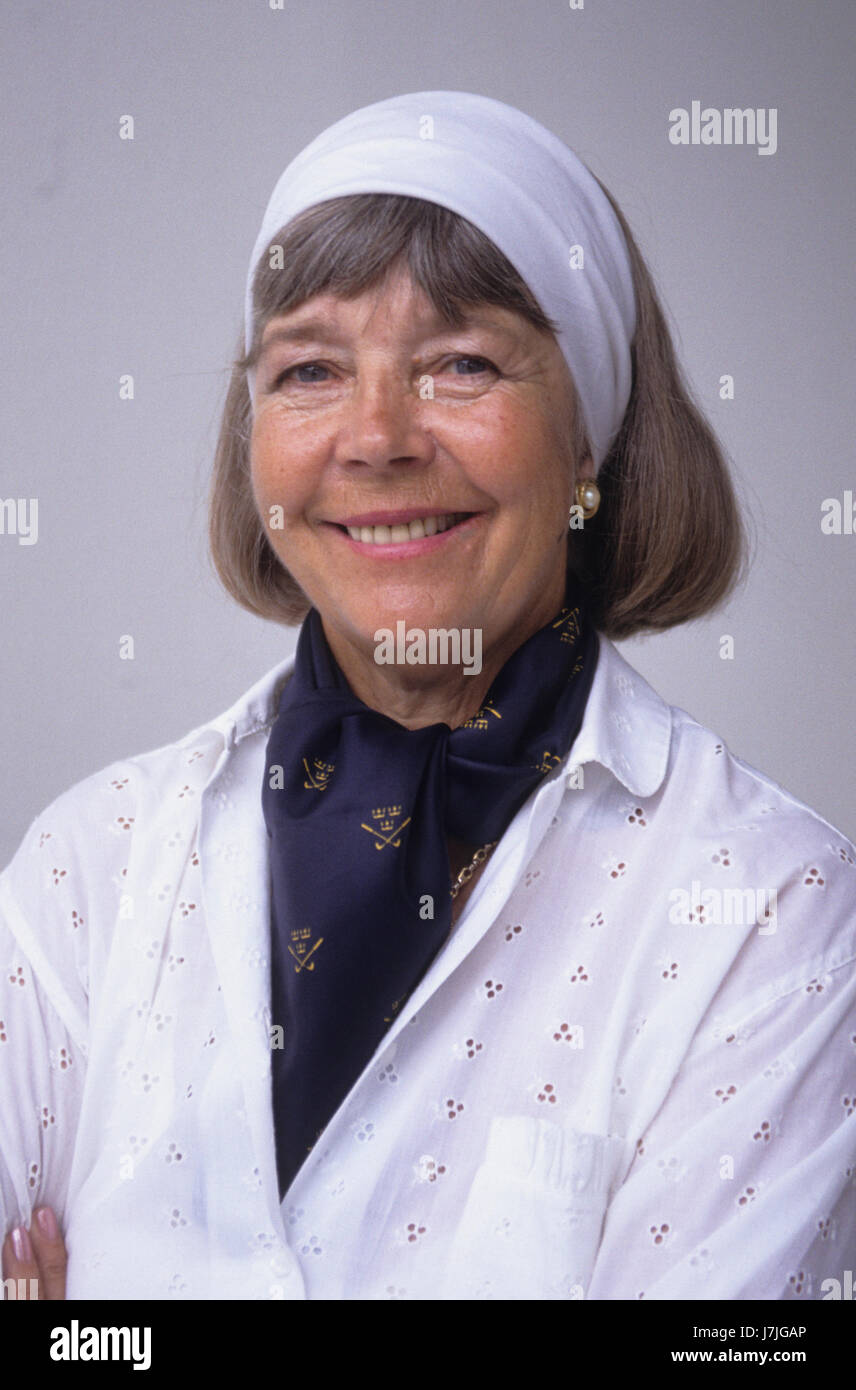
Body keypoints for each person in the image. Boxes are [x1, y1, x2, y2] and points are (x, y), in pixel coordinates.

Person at [1, 90, 854, 1302]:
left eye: (460, 362)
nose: (376, 436)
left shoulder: (772, 912)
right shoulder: (89, 868)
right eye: (308, 368)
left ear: (586, 445)